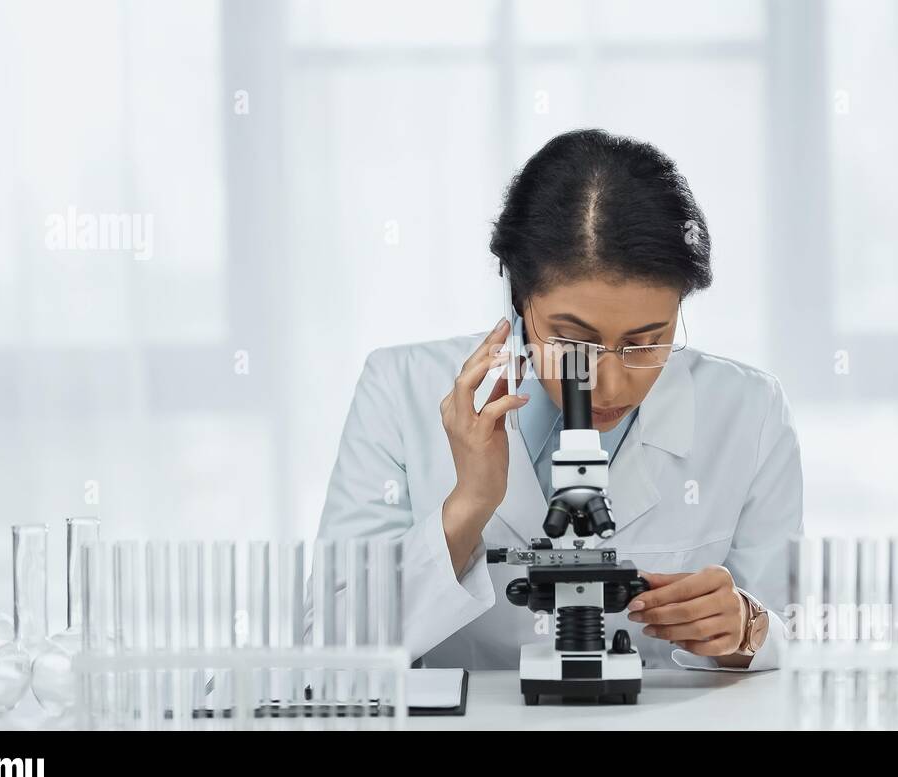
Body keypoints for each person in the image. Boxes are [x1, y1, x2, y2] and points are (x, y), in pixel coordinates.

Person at [316, 129, 803, 671]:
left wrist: (745, 628)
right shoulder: (399, 388)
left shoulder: (748, 410)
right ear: (519, 297)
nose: (610, 385)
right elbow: (333, 647)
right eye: (574, 342)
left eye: (645, 342)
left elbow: (788, 641)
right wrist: (470, 504)